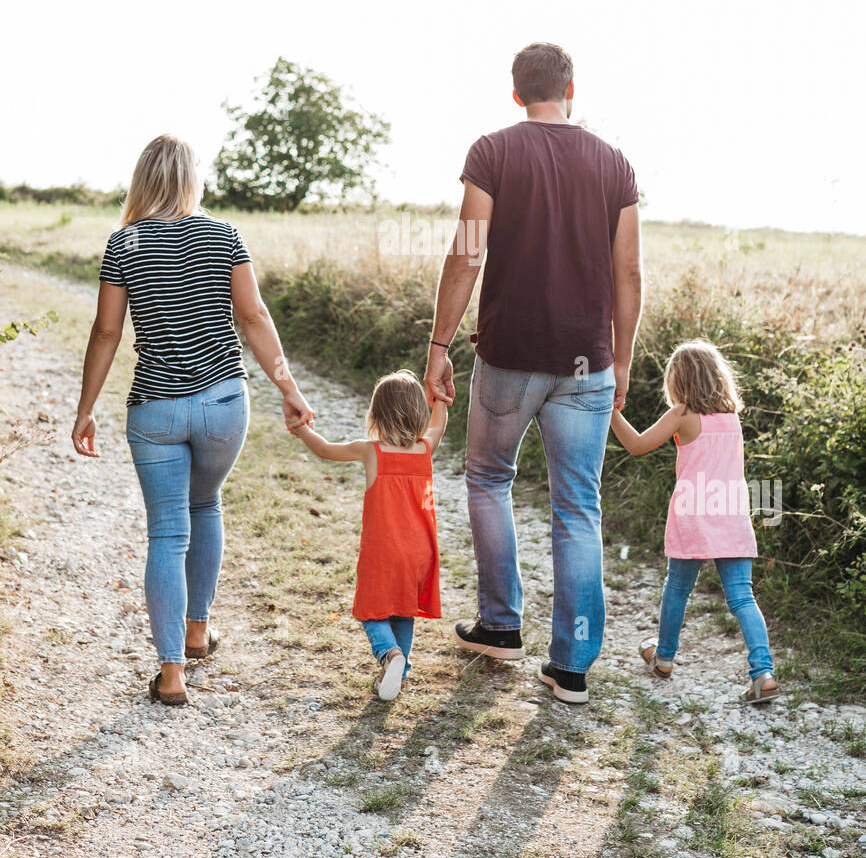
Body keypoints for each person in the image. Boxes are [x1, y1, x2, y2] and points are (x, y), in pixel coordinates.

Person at [424, 42, 642, 705]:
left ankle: (499, 625)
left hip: (509, 356)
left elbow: (466, 257)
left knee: (489, 478)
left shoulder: (492, 152)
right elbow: (629, 272)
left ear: (517, 93)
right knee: (578, 505)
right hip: (586, 362)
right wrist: (623, 358)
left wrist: (439, 344)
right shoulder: (615, 163)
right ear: (572, 88)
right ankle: (571, 667)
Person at [72, 133, 313, 706]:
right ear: (190, 179)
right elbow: (253, 317)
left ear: (142, 178)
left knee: (166, 532)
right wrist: (289, 387)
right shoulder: (224, 233)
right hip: (222, 403)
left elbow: (106, 332)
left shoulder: (122, 243)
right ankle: (198, 628)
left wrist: (85, 409)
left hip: (154, 408)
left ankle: (172, 671)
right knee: (205, 504)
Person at [609, 338, 779, 705]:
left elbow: (637, 445)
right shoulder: (731, 417)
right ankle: (763, 672)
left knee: (677, 589)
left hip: (694, 515)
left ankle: (665, 658)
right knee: (742, 596)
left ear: (679, 382)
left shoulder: (683, 414)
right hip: (731, 513)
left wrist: (611, 413)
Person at [292, 371, 446, 700]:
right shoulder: (424, 449)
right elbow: (439, 425)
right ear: (419, 412)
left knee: (370, 611)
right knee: (404, 612)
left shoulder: (371, 451)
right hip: (421, 552)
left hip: (383, 551)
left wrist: (301, 428)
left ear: (375, 415)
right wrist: (440, 397)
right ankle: (398, 677)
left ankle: (389, 654)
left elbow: (324, 449)